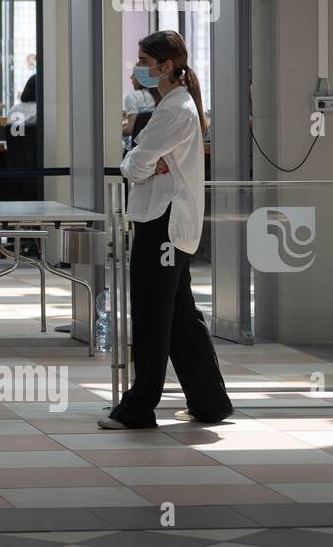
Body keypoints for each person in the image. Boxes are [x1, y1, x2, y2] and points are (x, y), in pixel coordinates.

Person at [98, 30, 233, 430]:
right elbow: (142, 160)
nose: (137, 70)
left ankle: (140, 407)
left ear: (166, 66)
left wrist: (136, 164)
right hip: (167, 222)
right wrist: (141, 162)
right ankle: (210, 402)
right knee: (178, 317)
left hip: (163, 226)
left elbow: (135, 162)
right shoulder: (176, 105)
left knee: (153, 316)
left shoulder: (175, 110)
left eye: (143, 61)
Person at [121, 69, 157, 151]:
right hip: (150, 146)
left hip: (134, 149)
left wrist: (114, 129)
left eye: (133, 75)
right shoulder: (153, 97)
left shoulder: (132, 97)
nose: (130, 77)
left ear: (140, 78)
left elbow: (130, 129)